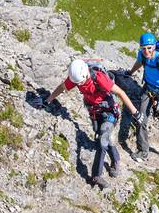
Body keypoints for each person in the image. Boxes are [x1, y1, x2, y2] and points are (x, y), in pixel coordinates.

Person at [47, 58, 142, 190]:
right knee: (103, 137)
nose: (79, 84)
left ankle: (96, 176)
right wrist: (49, 99)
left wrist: (135, 112)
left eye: (81, 82)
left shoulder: (99, 78)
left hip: (109, 111)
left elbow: (120, 92)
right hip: (95, 113)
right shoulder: (76, 78)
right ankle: (116, 159)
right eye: (77, 83)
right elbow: (62, 87)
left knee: (102, 141)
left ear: (86, 74)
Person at [128, 31, 159, 162]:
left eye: (149, 48)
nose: (146, 51)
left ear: (154, 47)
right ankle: (143, 151)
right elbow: (139, 63)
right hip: (148, 89)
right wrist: (130, 72)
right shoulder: (142, 56)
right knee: (141, 119)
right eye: (143, 48)